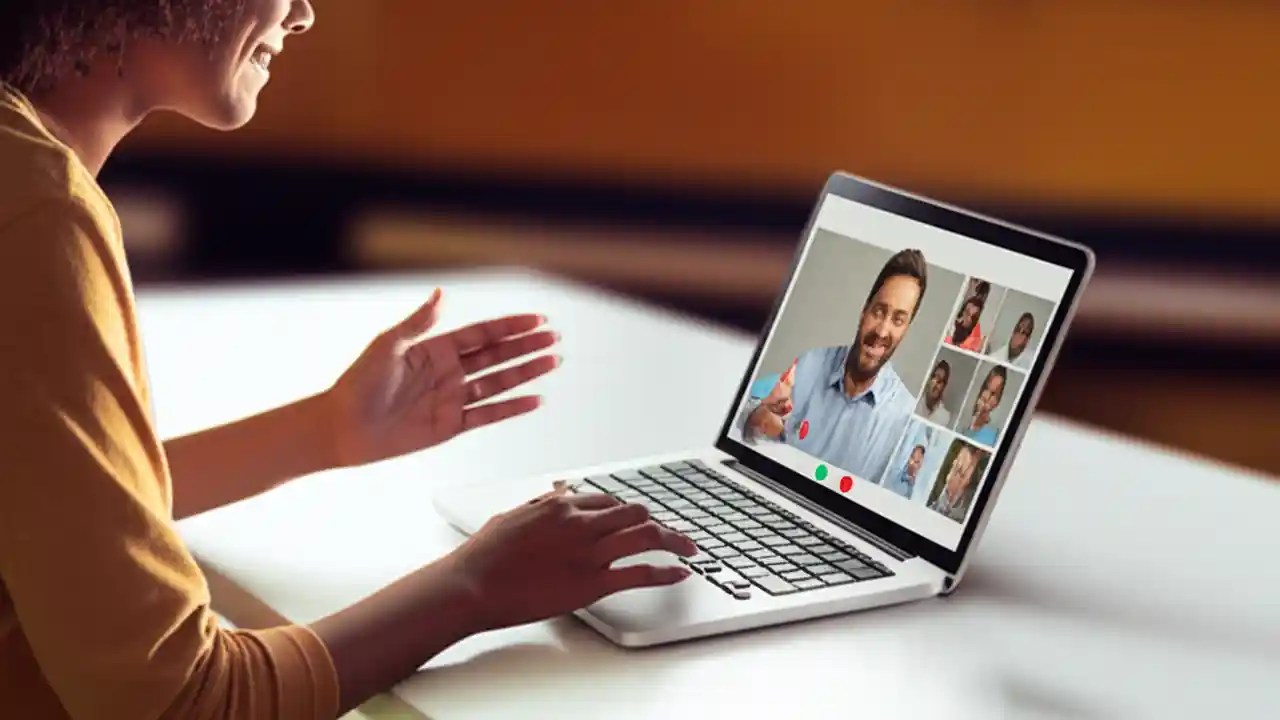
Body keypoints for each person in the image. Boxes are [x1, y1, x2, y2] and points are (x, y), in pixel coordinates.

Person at [0, 4, 697, 718]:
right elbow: (182, 701)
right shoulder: (36, 217)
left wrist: (326, 431)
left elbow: (47, 505)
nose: (302, 14)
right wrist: (477, 584)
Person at [740, 249, 927, 483]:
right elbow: (743, 434)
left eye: (898, 320)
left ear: (906, 330)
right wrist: (757, 418)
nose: (882, 331)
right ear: (864, 311)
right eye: (879, 312)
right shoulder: (809, 365)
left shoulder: (905, 420)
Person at [927, 442, 982, 522]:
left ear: (966, 481)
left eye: (958, 469)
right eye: (955, 463)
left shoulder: (961, 518)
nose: (953, 466)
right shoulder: (933, 497)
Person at [961, 365, 1007, 447]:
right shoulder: (963, 419)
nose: (986, 396)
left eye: (993, 393)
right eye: (986, 388)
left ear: (997, 401)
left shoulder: (993, 435)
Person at [915, 359, 952, 427]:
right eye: (936, 377)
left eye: (941, 381)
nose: (937, 384)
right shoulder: (915, 401)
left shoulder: (944, 416)